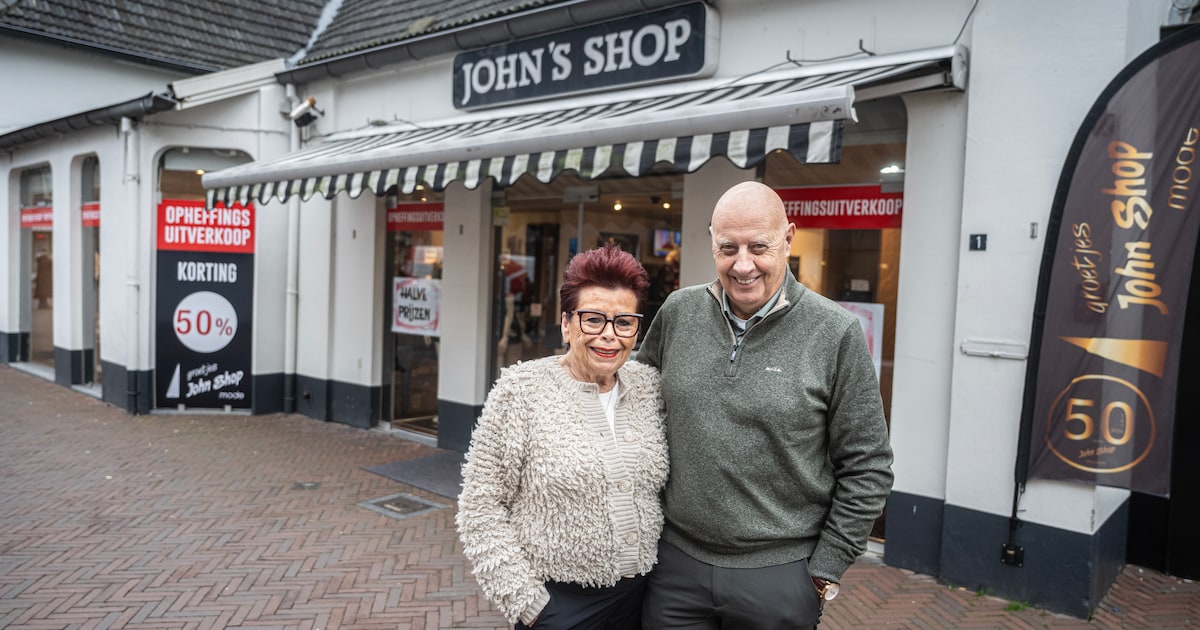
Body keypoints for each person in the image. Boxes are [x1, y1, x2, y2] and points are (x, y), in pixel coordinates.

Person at [637, 181, 894, 629]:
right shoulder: (678, 313)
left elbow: (869, 466)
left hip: (780, 576)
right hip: (675, 567)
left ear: (788, 238)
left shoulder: (834, 332)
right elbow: (633, 410)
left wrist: (823, 571)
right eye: (727, 247)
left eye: (759, 247)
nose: (742, 265)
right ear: (711, 241)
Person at [457, 243, 668, 630]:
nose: (609, 336)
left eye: (624, 322)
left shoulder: (649, 386)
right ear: (566, 323)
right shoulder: (521, 389)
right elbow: (480, 507)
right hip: (561, 606)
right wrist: (529, 604)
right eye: (593, 319)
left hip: (645, 600)